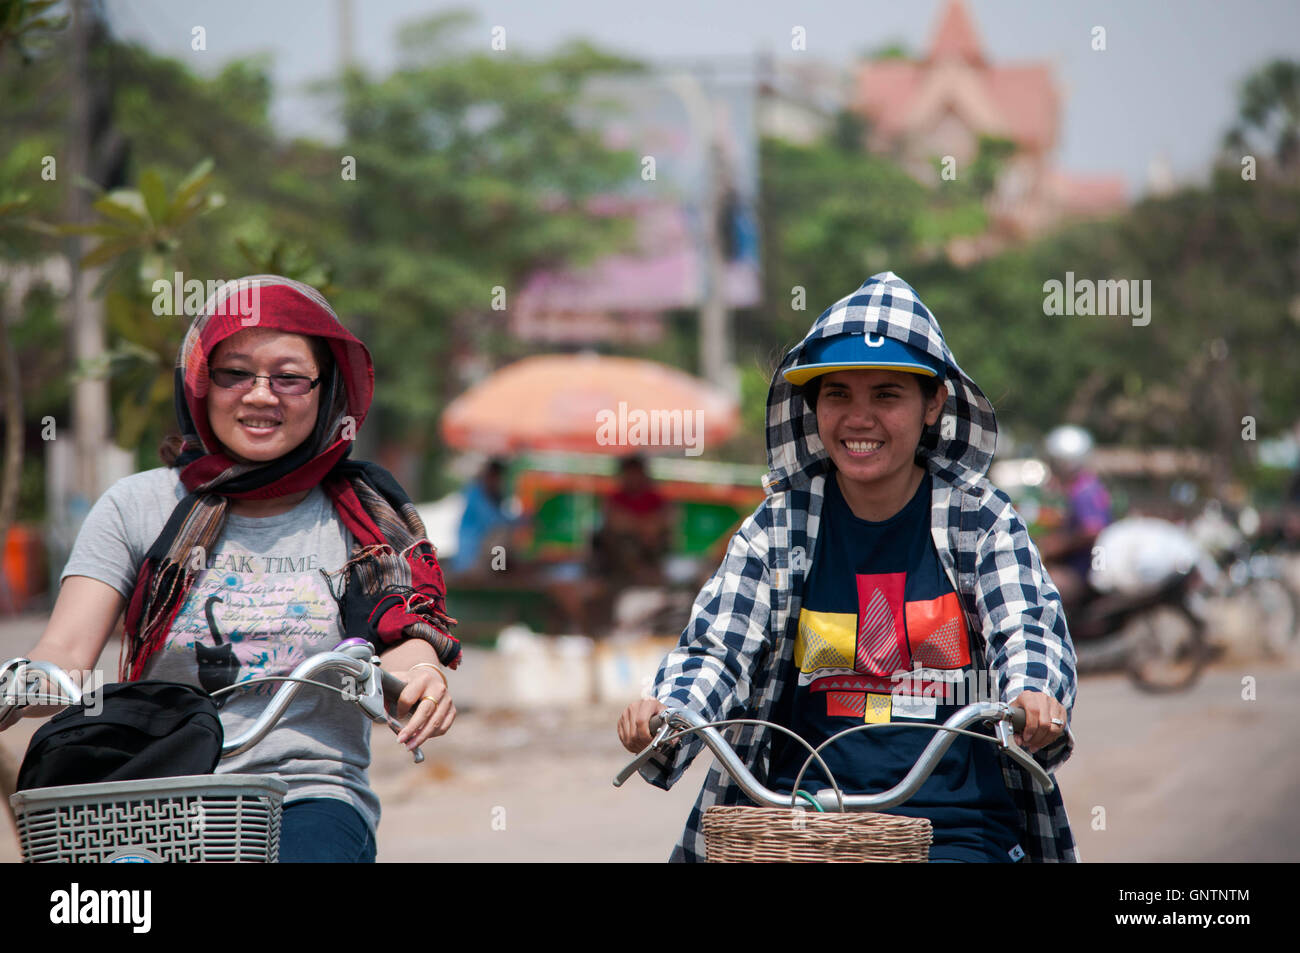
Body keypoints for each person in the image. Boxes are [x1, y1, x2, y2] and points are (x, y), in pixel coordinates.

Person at [617, 271, 1078, 862]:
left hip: (958, 835)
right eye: (838, 395)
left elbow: (1028, 631)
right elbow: (716, 650)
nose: (859, 419)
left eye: (886, 395)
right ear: (813, 407)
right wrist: (670, 713)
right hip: (799, 826)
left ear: (933, 402)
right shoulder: (778, 527)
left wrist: (1035, 693)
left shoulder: (981, 521)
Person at [0, 275, 461, 863]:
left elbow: (398, 634)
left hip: (307, 794)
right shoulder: (136, 505)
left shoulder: (367, 513)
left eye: (290, 377)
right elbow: (63, 652)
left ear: (327, 391)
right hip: (152, 788)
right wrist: (21, 684)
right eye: (234, 372)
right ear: (200, 380)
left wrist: (422, 678)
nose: (261, 395)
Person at [1039, 425, 1112, 613]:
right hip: (1085, 567)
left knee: (1039, 588)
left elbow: (1093, 530)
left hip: (1083, 571)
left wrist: (1060, 545)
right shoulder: (1084, 485)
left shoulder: (1084, 490)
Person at [451, 458, 519, 575]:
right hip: (470, 560)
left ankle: (499, 569)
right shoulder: (476, 495)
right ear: (493, 477)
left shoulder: (490, 496)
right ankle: (498, 571)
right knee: (502, 532)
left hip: (479, 556)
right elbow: (496, 522)